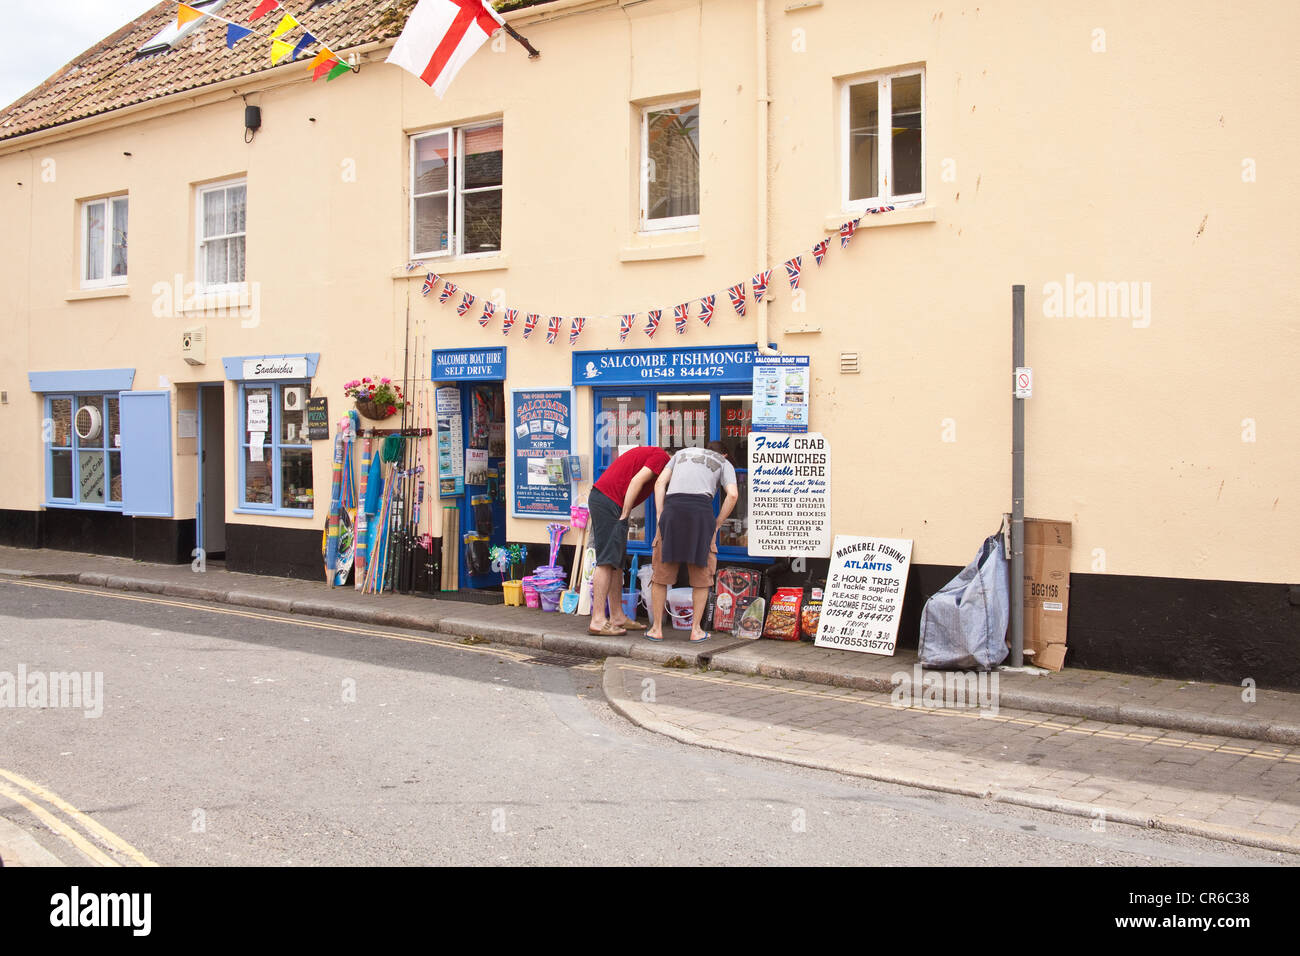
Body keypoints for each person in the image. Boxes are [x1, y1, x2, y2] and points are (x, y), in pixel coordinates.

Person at [646, 440, 739, 643]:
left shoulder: (681, 454)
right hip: (701, 512)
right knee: (701, 574)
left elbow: (659, 483)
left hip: (673, 508)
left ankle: (656, 629)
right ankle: (696, 630)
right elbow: (732, 494)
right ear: (725, 454)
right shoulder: (724, 463)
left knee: (661, 572)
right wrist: (717, 524)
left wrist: (662, 513)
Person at [586, 444, 671, 635]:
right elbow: (636, 481)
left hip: (606, 499)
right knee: (607, 561)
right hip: (609, 502)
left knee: (615, 562)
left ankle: (617, 616)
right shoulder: (662, 457)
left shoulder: (654, 454)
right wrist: (625, 513)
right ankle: (598, 619)